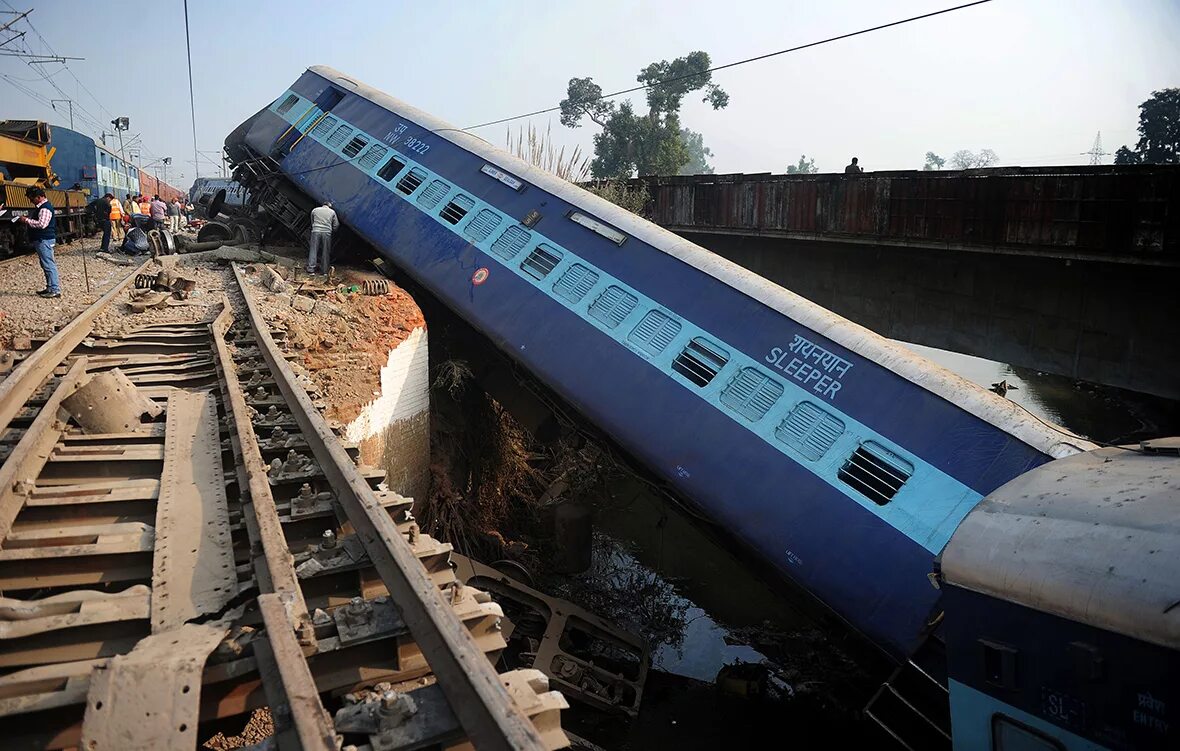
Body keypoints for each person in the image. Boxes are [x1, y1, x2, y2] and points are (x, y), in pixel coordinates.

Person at [19, 186, 61, 298]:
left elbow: (42, 224)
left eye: (32, 198)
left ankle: (55, 290)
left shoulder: (45, 208)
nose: (30, 201)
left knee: (48, 264)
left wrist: (26, 220)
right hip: (42, 239)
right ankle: (50, 287)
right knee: (45, 264)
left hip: (44, 240)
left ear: (39, 197)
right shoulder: (43, 207)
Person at [307, 201, 338, 274]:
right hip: (327, 232)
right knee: (326, 251)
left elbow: (312, 221)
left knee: (313, 250)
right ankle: (324, 271)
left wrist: (315, 227)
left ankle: (311, 269)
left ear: (323, 205)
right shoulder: (332, 212)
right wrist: (333, 230)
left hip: (316, 231)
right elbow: (336, 224)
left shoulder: (315, 210)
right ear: (329, 206)